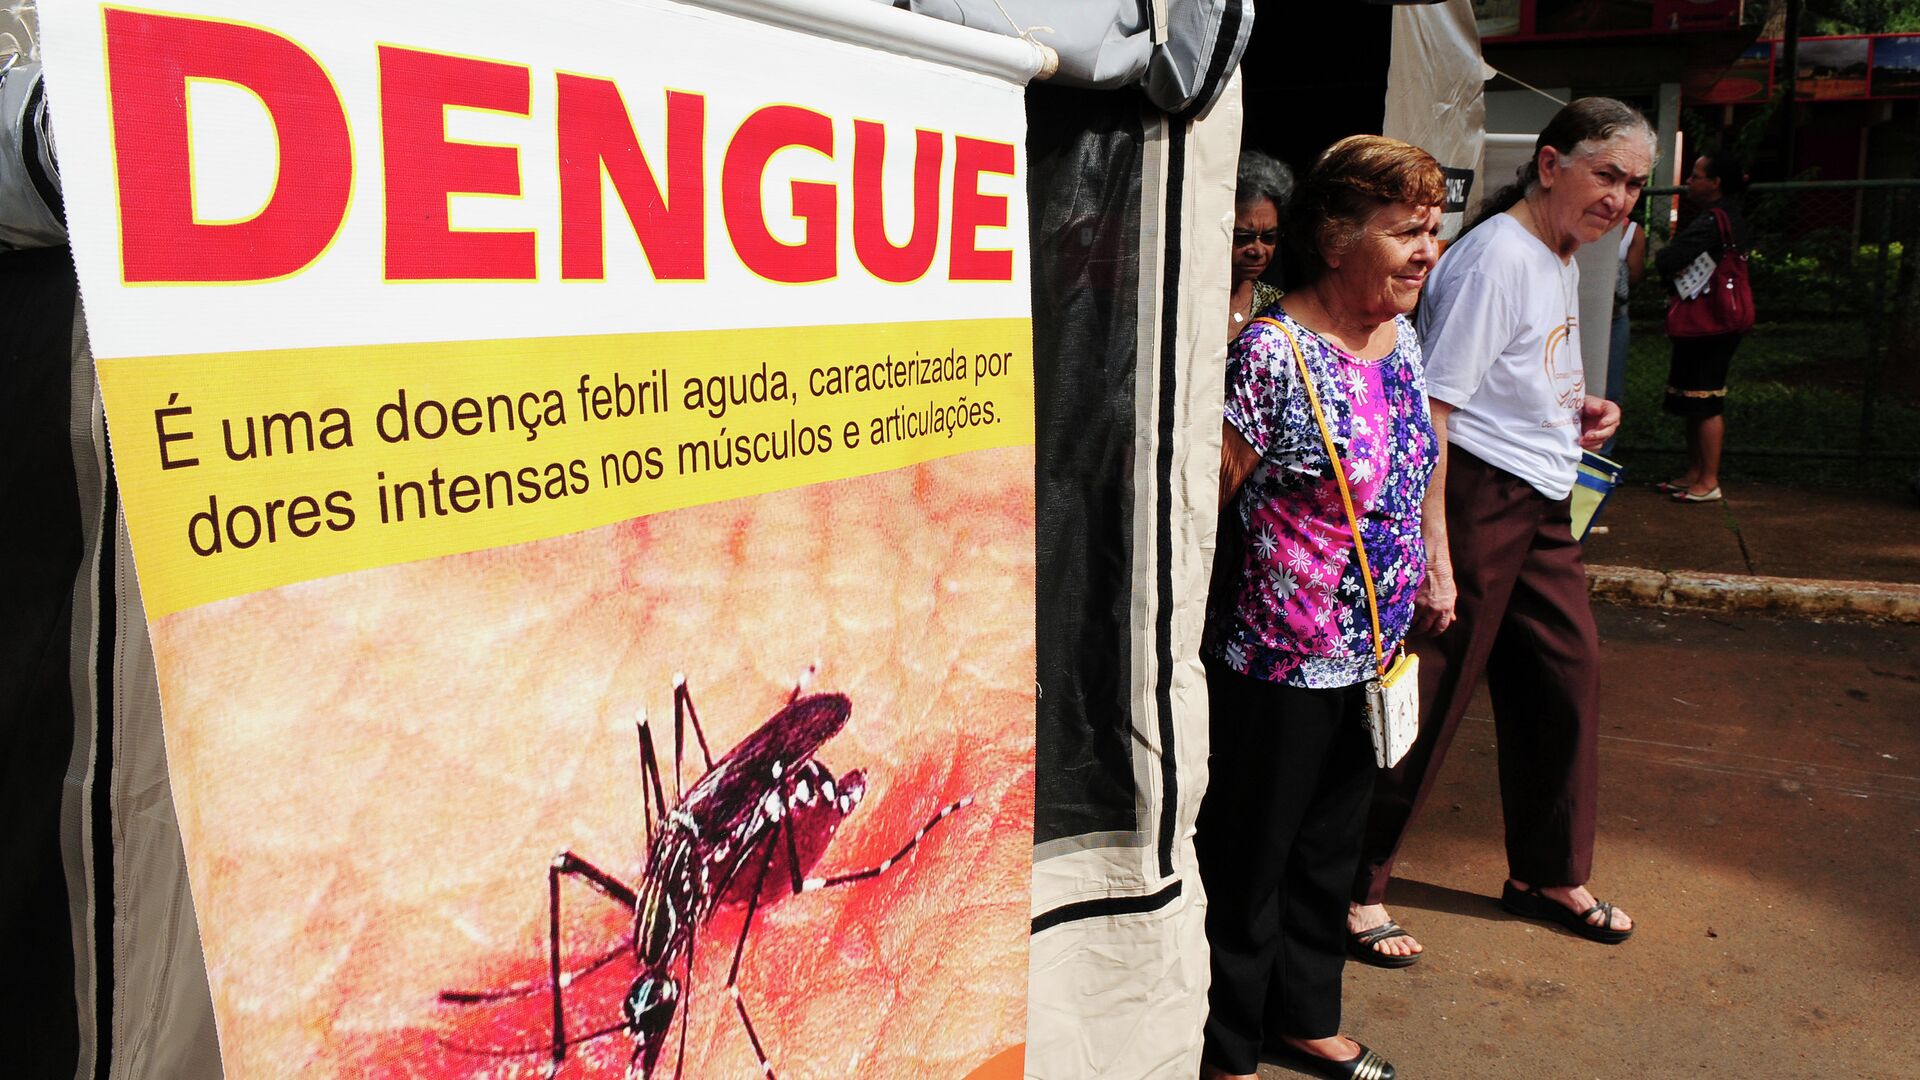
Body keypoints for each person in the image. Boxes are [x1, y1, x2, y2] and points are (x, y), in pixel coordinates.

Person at [1345, 97, 1649, 968]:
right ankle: (1354, 883)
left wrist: (1575, 410)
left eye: (1635, 184)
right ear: (1551, 165)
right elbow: (1434, 408)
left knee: (1566, 672)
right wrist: (1437, 548)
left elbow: (1516, 373)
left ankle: (1549, 874)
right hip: (1475, 493)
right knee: (1432, 687)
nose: (1620, 198)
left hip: (1543, 496)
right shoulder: (1496, 257)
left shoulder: (1556, 253)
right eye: (1607, 175)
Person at [1198, 135, 1444, 1080]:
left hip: (1372, 650)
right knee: (1253, 853)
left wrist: (1434, 564)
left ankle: (1304, 1017)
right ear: (1337, 238)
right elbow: (1204, 507)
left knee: (1331, 847)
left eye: (1433, 229)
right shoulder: (1270, 355)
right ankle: (1228, 1042)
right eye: (1406, 231)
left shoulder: (1399, 338)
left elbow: (1417, 465)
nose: (1427, 251)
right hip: (1278, 660)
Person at [1655, 151, 1751, 503]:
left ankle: (1708, 479)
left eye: (1696, 176)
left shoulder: (1714, 219)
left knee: (1707, 399)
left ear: (1715, 183)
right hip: (1715, 320)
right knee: (1694, 398)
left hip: (1711, 322)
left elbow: (1669, 257)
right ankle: (1695, 473)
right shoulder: (1732, 216)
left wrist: (1668, 263)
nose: (1689, 182)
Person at [1228, 150, 1296, 342]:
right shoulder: (1190, 301)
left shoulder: (1277, 305)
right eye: (1243, 237)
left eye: (1269, 237)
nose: (1257, 251)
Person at [1602, 198, 1646, 456]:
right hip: (1580, 317)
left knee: (1612, 389)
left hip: (1616, 316)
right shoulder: (1586, 226)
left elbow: (1636, 275)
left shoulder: (1633, 232)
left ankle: (1602, 454)